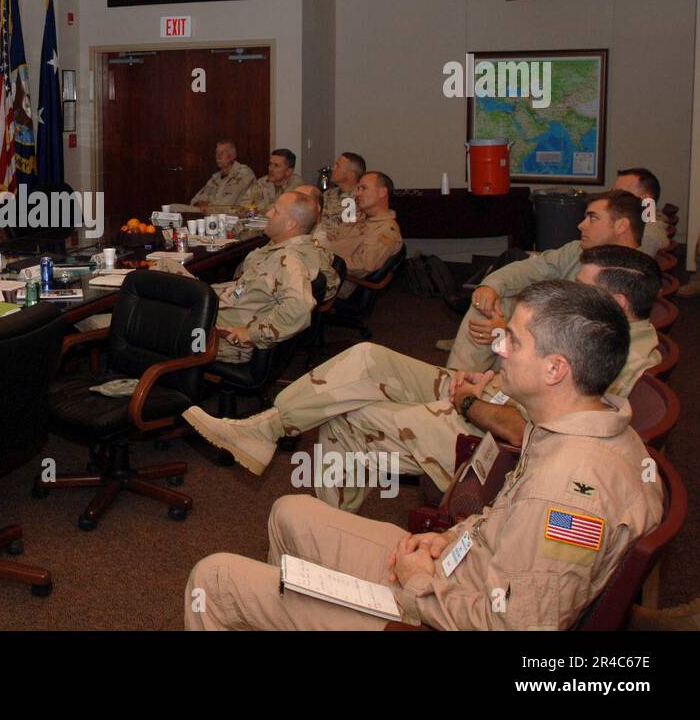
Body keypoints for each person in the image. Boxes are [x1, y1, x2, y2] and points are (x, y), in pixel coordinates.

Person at [184, 280, 664, 630]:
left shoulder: (566, 491)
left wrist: (419, 584)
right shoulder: (584, 426)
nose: (497, 349)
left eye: (512, 340)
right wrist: (451, 539)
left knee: (214, 579)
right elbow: (503, 528)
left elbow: (523, 628)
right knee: (289, 511)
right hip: (459, 573)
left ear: (557, 369)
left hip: (437, 612)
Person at [182, 244, 661, 502]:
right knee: (367, 358)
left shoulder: (623, 362)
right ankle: (266, 428)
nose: (571, 295)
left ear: (615, 305)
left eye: (583, 288)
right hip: (494, 397)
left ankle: (326, 533)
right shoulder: (615, 335)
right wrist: (488, 382)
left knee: (346, 412)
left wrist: (473, 399)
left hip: (494, 438)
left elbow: (541, 431)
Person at [445, 189, 645, 372]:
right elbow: (530, 269)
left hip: (565, 363)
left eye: (592, 218)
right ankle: (458, 384)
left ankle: (470, 394)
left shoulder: (628, 279)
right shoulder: (577, 250)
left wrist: (508, 331)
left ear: (621, 225)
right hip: (546, 333)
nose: (580, 225)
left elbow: (581, 341)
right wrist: (491, 286)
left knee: (498, 319)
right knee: (488, 303)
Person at [152, 191, 338, 363]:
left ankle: (143, 380)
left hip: (213, 335)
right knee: (165, 265)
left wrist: (251, 334)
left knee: (145, 315)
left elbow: (299, 307)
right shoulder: (286, 250)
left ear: (291, 224)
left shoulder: (288, 259)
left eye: (276, 211)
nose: (269, 213)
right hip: (222, 308)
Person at [325, 171, 402, 297]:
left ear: (382, 192)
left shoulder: (386, 231)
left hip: (335, 281)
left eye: (363, 188)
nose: (357, 193)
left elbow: (362, 267)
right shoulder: (363, 218)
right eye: (358, 189)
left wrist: (323, 258)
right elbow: (337, 237)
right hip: (326, 265)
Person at [168, 140, 256, 214]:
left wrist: (207, 205)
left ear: (232, 156)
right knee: (171, 208)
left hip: (230, 216)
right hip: (206, 213)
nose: (218, 157)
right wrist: (201, 203)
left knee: (174, 209)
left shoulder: (243, 173)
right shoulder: (216, 177)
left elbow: (226, 204)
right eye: (216, 153)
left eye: (222, 153)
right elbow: (194, 200)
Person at [612, 167, 668, 258]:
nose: (611, 198)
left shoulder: (646, 235)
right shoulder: (642, 225)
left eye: (621, 194)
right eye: (613, 192)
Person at [237, 148, 302, 214]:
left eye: (276, 165)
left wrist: (257, 209)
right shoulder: (263, 181)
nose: (270, 169)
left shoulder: (297, 184)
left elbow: (279, 209)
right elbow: (244, 204)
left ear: (289, 171)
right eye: (270, 164)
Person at [320, 152, 364, 235]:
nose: (333, 168)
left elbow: (351, 232)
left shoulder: (360, 198)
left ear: (351, 174)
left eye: (338, 166)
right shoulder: (328, 194)